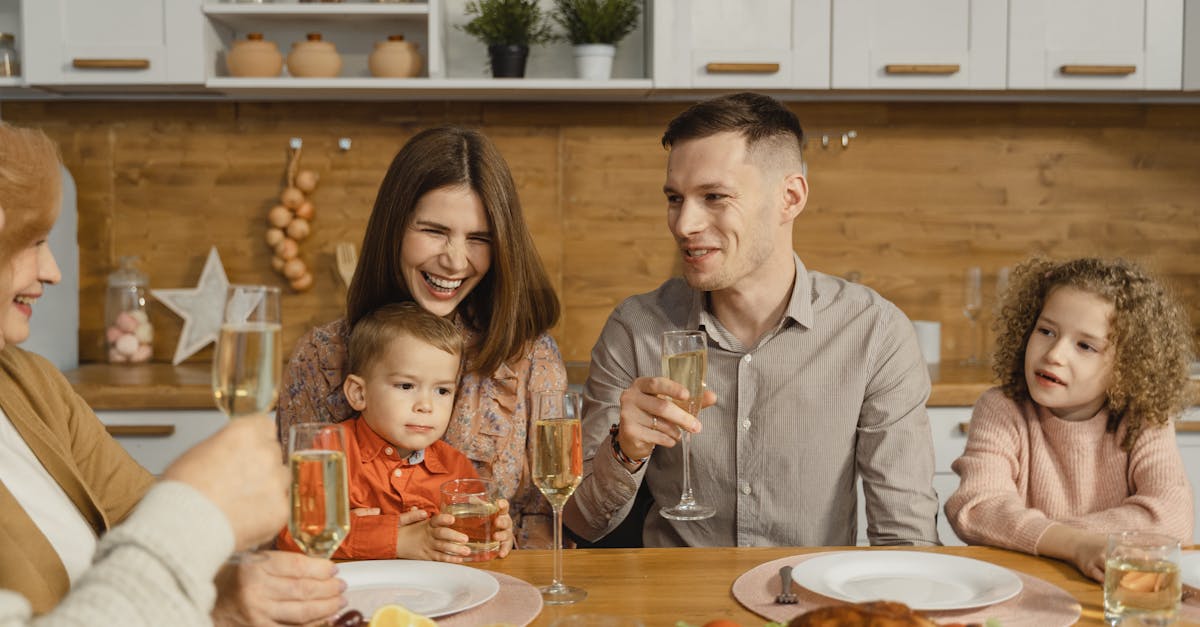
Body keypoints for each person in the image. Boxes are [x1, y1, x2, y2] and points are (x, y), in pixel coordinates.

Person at [0, 121, 344, 626]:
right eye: (31, 242)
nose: (51, 270)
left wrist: (226, 594)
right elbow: (171, 527)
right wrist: (197, 505)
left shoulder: (29, 382)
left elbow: (139, 512)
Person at [562, 92, 940, 547]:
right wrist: (623, 453)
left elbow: (906, 539)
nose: (684, 224)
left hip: (808, 603)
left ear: (790, 197)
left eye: (714, 196)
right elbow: (582, 524)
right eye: (675, 198)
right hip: (677, 606)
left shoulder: (874, 333)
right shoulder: (635, 328)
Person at [277, 125, 566, 548]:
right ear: (395, 228)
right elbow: (292, 526)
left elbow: (545, 522)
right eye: (434, 231)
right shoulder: (319, 358)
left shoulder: (532, 358)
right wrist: (392, 538)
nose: (454, 260)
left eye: (479, 239)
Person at [944, 257, 1195, 581]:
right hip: (1021, 585)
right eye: (1046, 330)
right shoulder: (1002, 409)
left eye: (1085, 346)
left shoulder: (1144, 420)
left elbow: (1172, 520)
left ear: (1128, 367)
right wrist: (1076, 545)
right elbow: (977, 509)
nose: (1054, 354)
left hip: (1110, 591)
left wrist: (1037, 535)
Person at [276, 302, 515, 561]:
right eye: (405, 386)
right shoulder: (328, 454)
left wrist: (499, 534)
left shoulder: (455, 467)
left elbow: (468, 548)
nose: (426, 405)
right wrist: (395, 539)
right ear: (359, 393)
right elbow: (289, 534)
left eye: (442, 391)